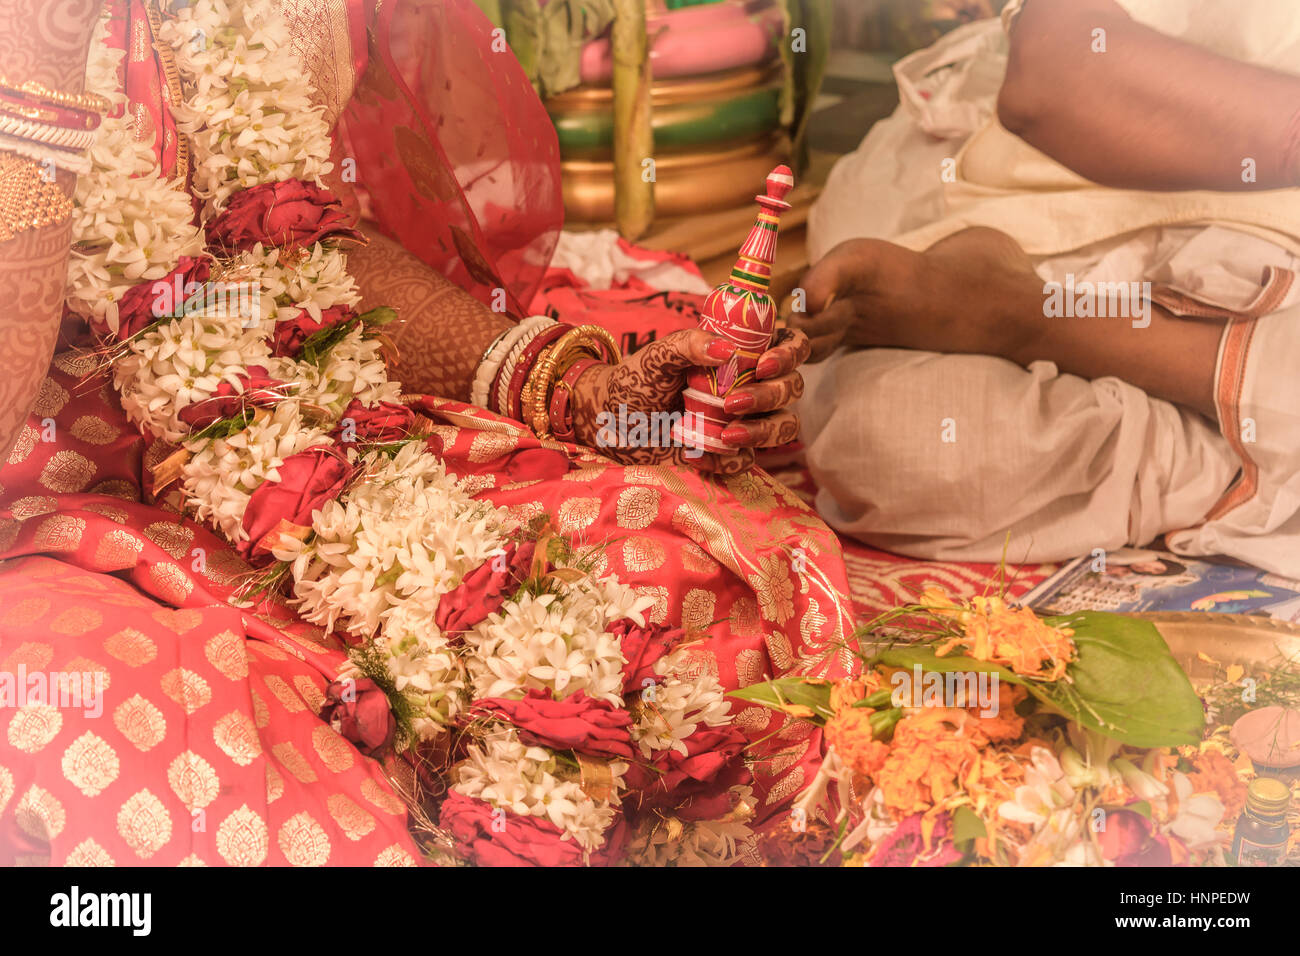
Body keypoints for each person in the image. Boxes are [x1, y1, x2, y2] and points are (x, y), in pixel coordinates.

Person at [0, 0, 852, 865]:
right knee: (131, 723)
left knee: (685, 550)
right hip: (44, 502)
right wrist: (38, 79)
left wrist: (580, 392)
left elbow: (301, 244)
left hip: (321, 437)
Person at [792, 0, 1300, 577]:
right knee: (889, 437)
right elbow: (1060, 76)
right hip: (1073, 189)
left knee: (920, 437)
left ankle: (1024, 318)